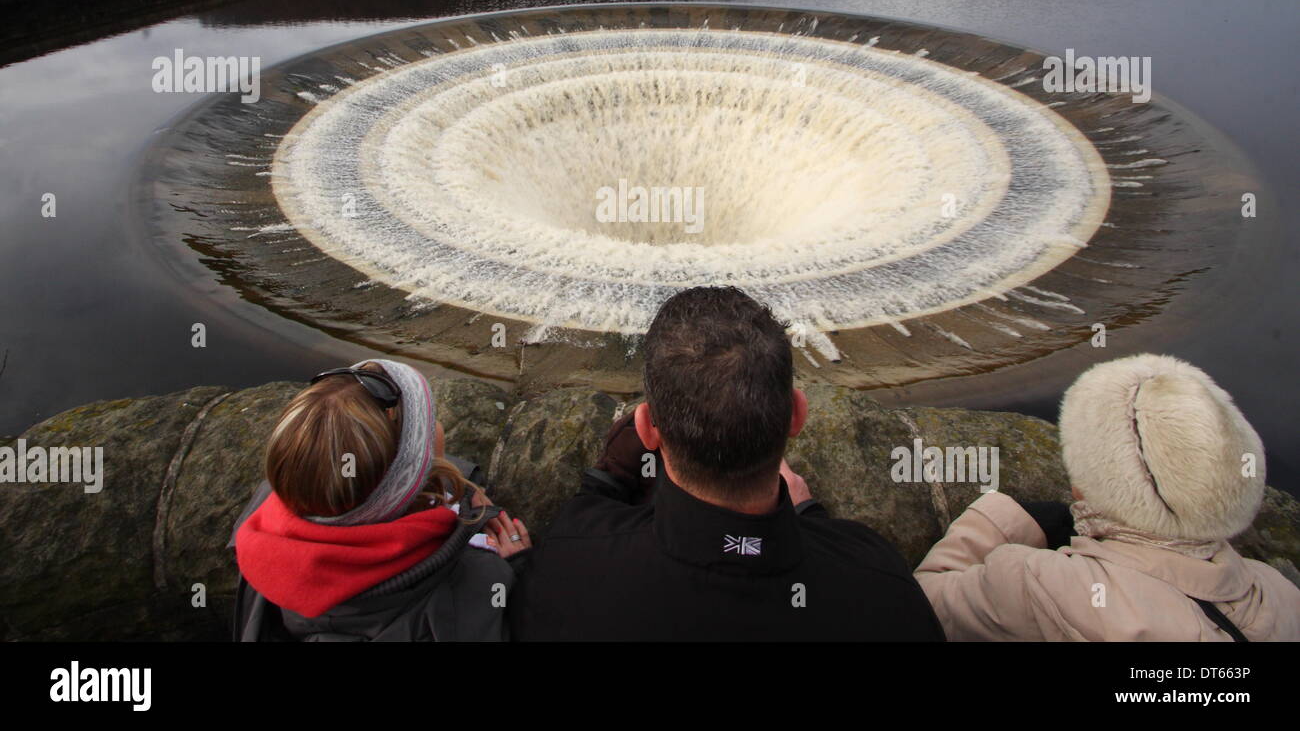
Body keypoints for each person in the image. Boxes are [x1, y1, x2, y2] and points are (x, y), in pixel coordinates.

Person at [509, 286, 945, 641]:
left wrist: (606, 481)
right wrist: (811, 516)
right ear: (796, 415)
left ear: (647, 429)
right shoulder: (880, 586)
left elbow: (570, 549)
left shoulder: (572, 567)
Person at [916, 353, 1300, 641]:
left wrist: (997, 516)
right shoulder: (1282, 595)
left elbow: (924, 603)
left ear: (1085, 486)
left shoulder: (1040, 584)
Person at [231, 359, 532, 641]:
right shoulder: (475, 582)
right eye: (430, 421)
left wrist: (458, 486)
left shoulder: (266, 524)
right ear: (413, 471)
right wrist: (519, 569)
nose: (436, 425)